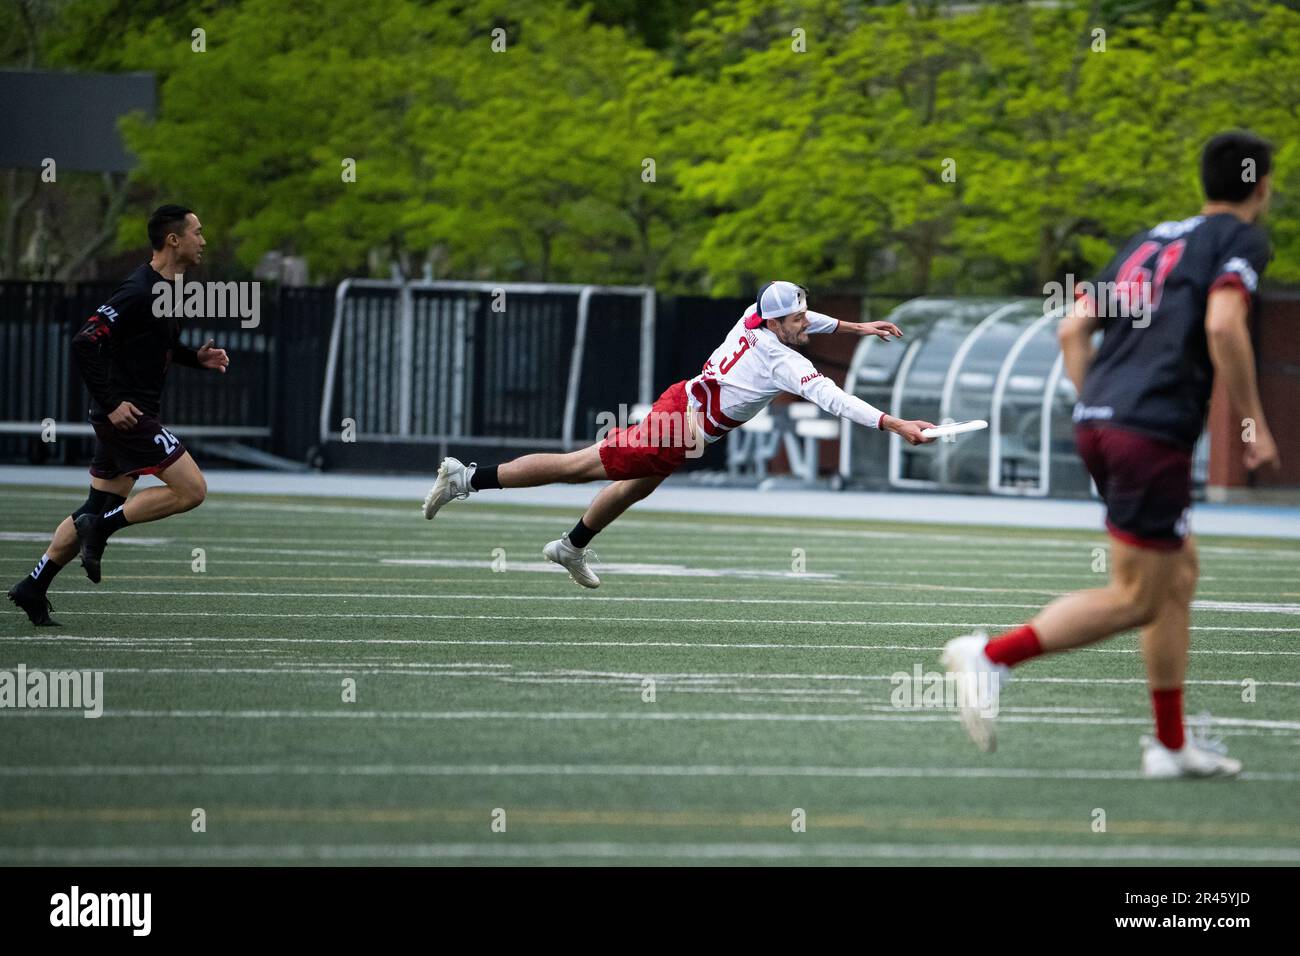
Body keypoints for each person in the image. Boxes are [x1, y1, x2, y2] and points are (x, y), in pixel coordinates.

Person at [942, 132, 1279, 778]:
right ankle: (991, 655)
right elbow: (1221, 324)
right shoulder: (1241, 239)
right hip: (1148, 431)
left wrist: (1100, 404)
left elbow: (1073, 326)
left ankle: (1170, 744)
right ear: (1261, 186)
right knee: (1137, 597)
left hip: (1102, 419)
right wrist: (1252, 422)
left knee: (1176, 577)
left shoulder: (1152, 238)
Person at [422, 281, 935, 587]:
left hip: (683, 413)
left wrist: (855, 327)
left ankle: (571, 546)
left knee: (637, 487)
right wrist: (895, 424)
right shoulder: (780, 360)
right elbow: (836, 400)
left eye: (804, 315)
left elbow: (807, 317)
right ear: (777, 324)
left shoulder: (757, 315)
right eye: (796, 319)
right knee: (578, 465)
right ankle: (466, 478)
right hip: (676, 428)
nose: (804, 324)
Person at [7, 205, 230, 626]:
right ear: (173, 240)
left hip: (129, 413)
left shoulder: (172, 288)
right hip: (126, 416)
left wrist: (194, 358)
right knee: (193, 490)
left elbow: (152, 342)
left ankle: (34, 585)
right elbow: (85, 341)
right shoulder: (138, 288)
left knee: (98, 503)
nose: (204, 240)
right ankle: (101, 528)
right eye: (198, 232)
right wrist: (110, 403)